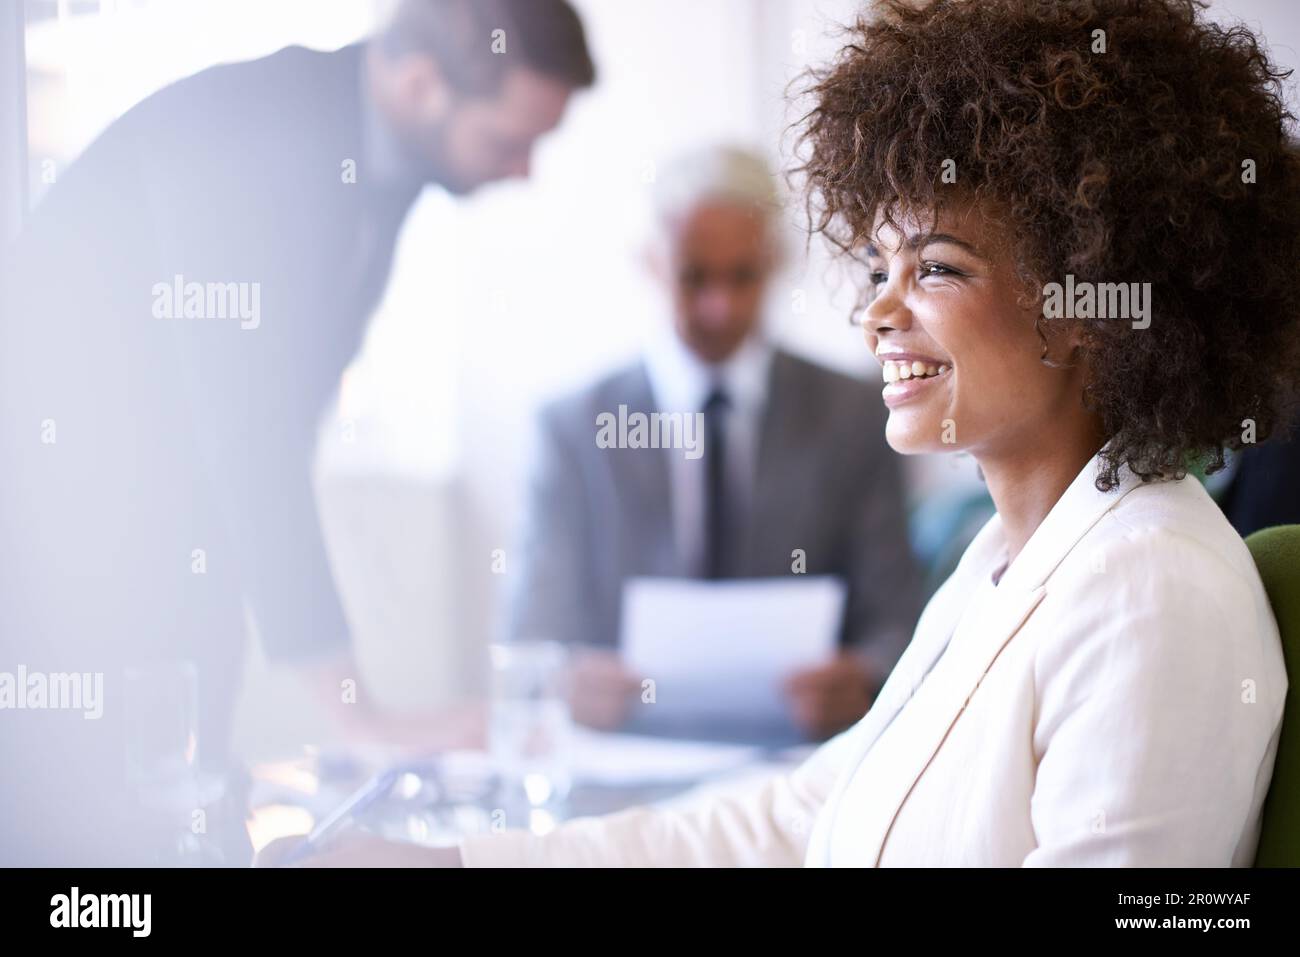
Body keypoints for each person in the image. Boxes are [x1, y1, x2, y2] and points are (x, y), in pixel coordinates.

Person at [260, 0, 1300, 867]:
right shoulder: (1004, 562)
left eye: (934, 267)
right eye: (878, 269)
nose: (877, 313)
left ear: (1085, 303)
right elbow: (792, 817)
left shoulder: (1147, 587)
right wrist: (452, 865)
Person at [0, 0, 593, 865]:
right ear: (423, 84)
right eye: (509, 141)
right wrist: (363, 718)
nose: (524, 170)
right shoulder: (253, 132)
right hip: (50, 569)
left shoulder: (383, 175)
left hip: (167, 582)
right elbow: (250, 438)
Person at [508, 145, 922, 744]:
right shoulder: (573, 429)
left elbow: (898, 618)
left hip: (801, 764)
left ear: (775, 264)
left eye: (743, 276)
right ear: (652, 264)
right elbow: (530, 642)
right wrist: (567, 679)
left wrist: (864, 676)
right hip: (622, 761)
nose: (719, 307)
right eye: (693, 277)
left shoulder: (853, 415)